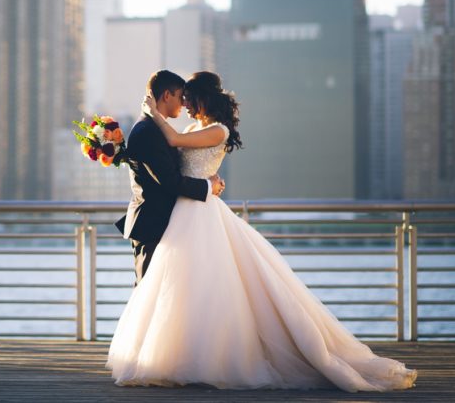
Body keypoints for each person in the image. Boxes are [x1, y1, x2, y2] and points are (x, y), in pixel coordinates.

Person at [107, 71, 417, 392]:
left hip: (200, 212)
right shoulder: (188, 127)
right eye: (180, 97)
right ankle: (178, 353)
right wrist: (205, 181)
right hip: (182, 210)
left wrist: (152, 113)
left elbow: (172, 142)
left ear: (201, 98)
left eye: (188, 98)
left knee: (210, 286)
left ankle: (211, 357)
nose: (184, 103)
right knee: (181, 286)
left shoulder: (218, 131)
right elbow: (171, 163)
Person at [114, 70, 224, 285]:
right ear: (167, 96)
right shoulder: (148, 130)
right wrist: (208, 186)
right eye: (181, 97)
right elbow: (170, 181)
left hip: (166, 224)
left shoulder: (154, 127)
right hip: (152, 226)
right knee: (148, 292)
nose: (184, 104)